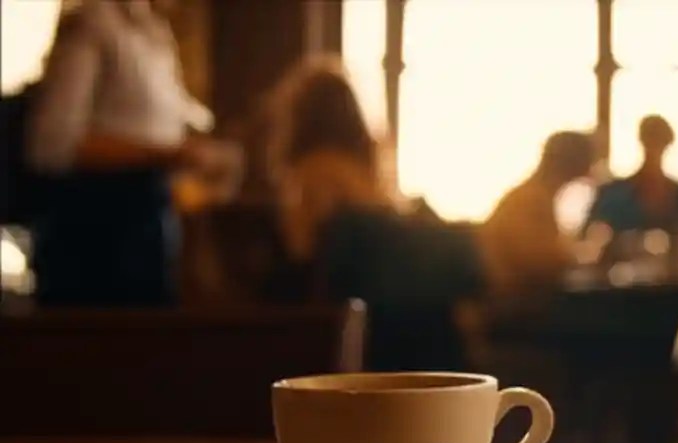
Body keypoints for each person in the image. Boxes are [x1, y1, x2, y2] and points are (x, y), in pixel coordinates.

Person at [268, 58, 485, 371]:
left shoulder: (309, 174)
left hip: (364, 329)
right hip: (421, 323)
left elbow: (300, 253)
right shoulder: (369, 174)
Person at [25, 0, 235, 306]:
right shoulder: (93, 24)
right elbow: (54, 145)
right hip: (94, 241)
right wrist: (168, 155)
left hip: (149, 230)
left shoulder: (154, 31)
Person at [478, 131, 595, 300]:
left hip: (520, 302)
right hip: (510, 307)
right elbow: (539, 263)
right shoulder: (529, 200)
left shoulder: (536, 196)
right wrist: (579, 256)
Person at [583, 115, 678, 239]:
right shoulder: (612, 195)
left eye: (658, 139)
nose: (654, 146)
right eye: (652, 138)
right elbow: (590, 238)